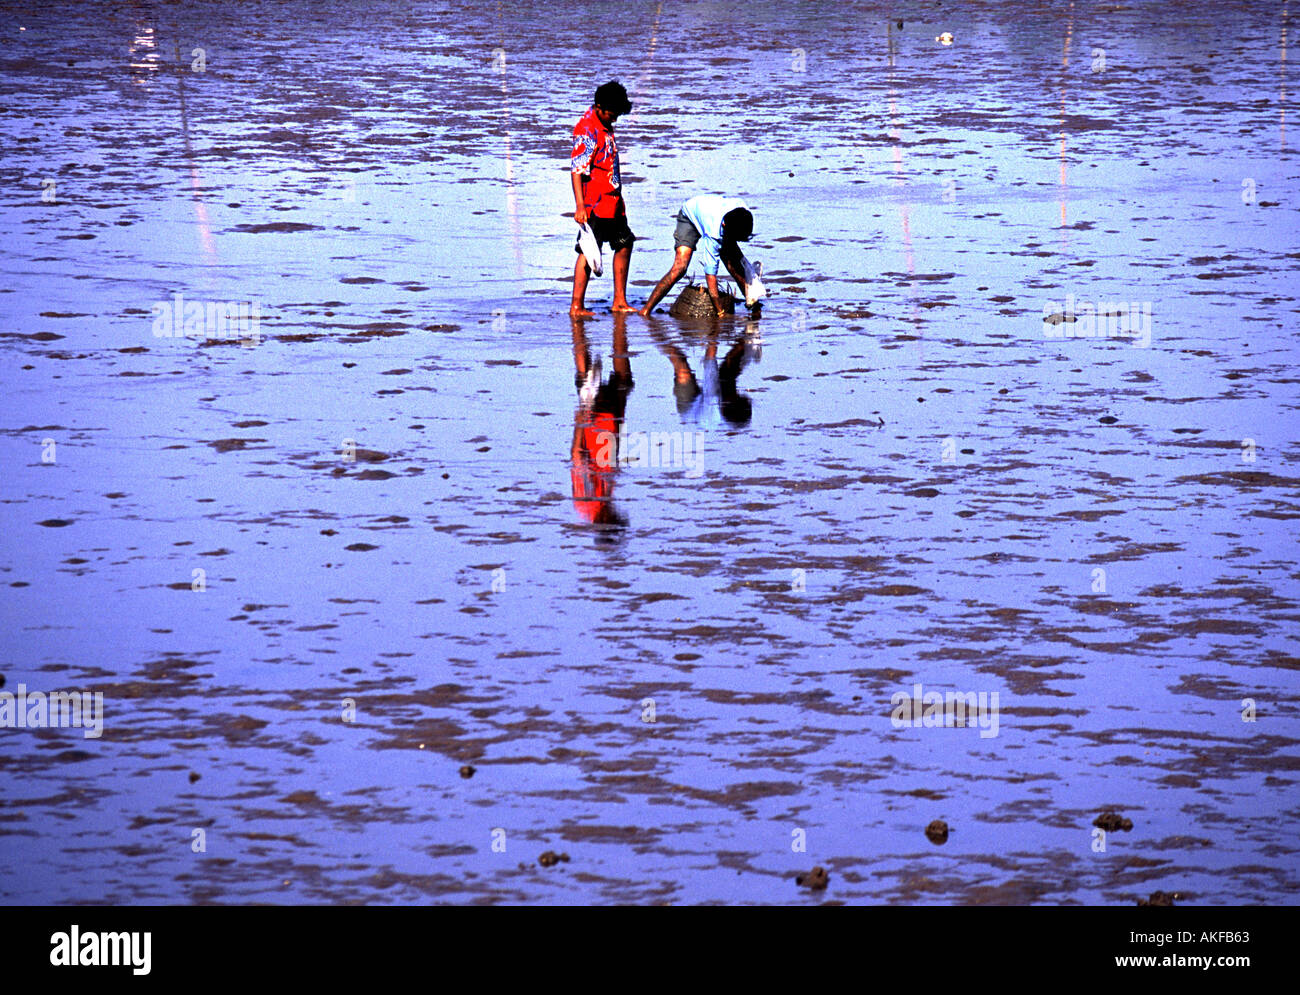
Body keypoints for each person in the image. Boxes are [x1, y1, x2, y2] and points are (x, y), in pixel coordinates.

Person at [571, 81, 636, 316]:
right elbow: (577, 170)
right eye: (612, 114)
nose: (615, 119)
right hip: (594, 203)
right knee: (588, 250)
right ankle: (576, 306)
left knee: (625, 243)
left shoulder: (605, 124)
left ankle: (619, 300)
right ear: (599, 106)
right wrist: (580, 206)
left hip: (613, 199)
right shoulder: (587, 129)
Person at [639, 194, 754, 317]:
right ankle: (646, 310)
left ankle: (752, 304)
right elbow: (710, 274)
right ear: (725, 227)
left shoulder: (742, 212)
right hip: (689, 216)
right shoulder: (714, 233)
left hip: (714, 215)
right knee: (679, 268)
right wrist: (720, 311)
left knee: (736, 266)